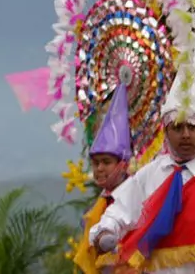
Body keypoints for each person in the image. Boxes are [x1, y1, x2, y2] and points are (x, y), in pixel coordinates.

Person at [90, 54, 195, 273]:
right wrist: (105, 232)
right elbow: (121, 210)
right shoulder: (151, 172)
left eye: (192, 126)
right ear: (166, 131)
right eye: (177, 127)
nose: (185, 134)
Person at [72, 80, 133, 274]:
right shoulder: (97, 206)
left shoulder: (138, 199)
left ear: (123, 164)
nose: (99, 168)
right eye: (96, 163)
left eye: (106, 162)